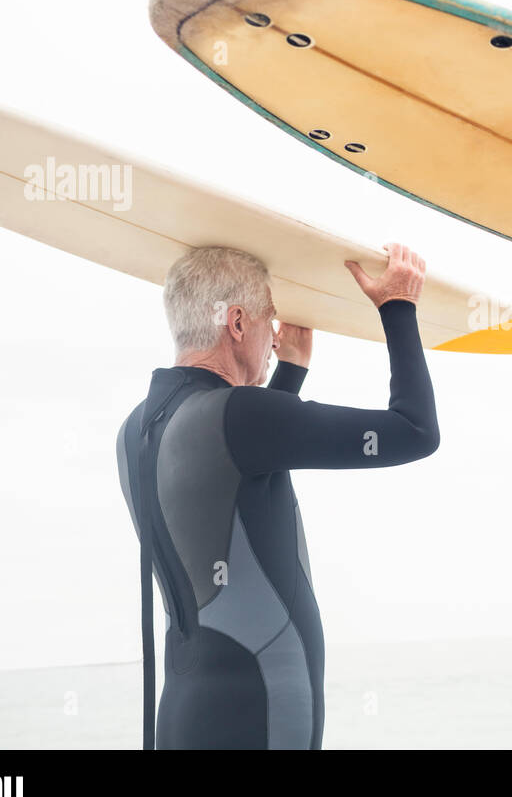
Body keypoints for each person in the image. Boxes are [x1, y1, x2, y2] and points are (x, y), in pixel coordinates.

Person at [116, 243, 439, 749]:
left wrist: (290, 370)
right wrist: (398, 308)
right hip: (260, 710)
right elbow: (416, 431)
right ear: (238, 323)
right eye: (270, 318)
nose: (274, 338)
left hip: (182, 716)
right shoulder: (242, 417)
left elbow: (231, 477)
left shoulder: (137, 428)